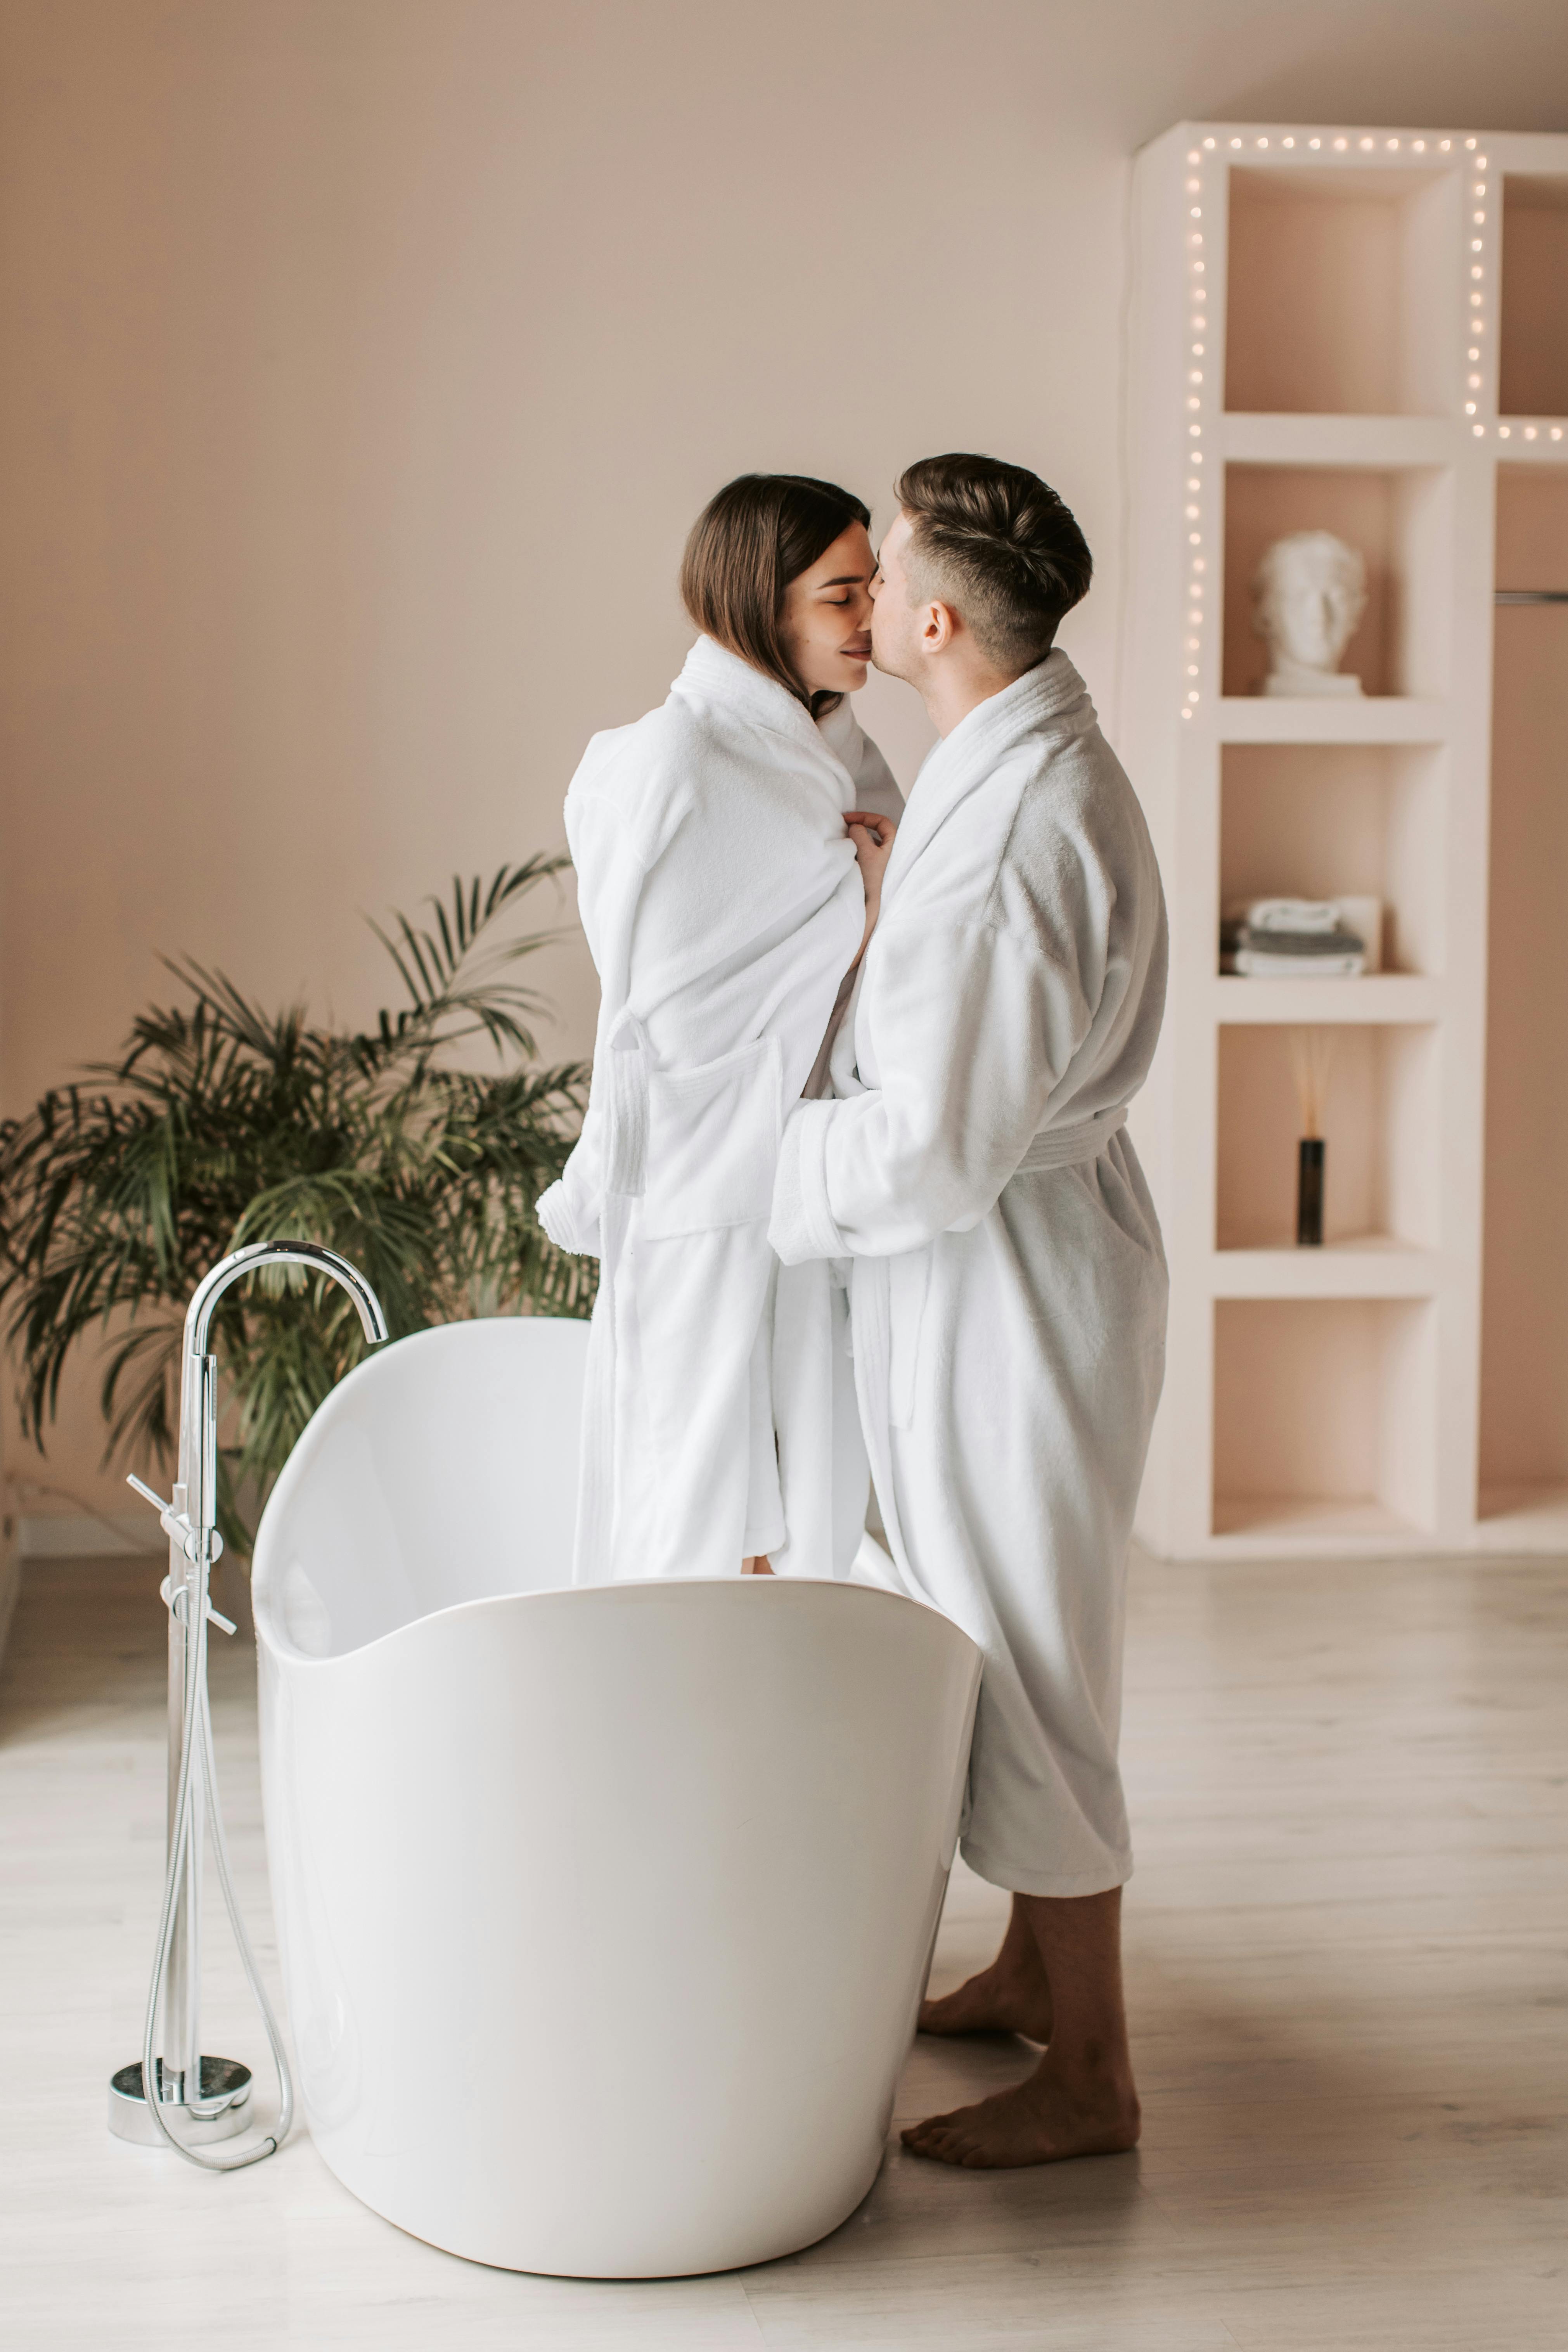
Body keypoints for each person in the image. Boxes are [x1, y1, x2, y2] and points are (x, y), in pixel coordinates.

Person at [768, 452, 1168, 2168]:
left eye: (886, 572)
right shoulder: (1010, 768)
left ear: (934, 618)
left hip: (1010, 1284)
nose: (862, 592)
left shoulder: (1013, 829)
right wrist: (885, 910)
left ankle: (1093, 2075)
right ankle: (1022, 1967)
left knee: (1030, 1652)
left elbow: (934, 1148)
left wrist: (759, 1160)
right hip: (1014, 1261)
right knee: (997, 1633)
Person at [537, 474, 898, 1584]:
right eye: (842, 597)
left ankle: (766, 1729)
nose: (872, 621)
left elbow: (870, 965)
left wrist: (881, 903)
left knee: (808, 1481)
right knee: (694, 1484)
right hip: (703, 1166)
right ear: (760, 603)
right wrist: (874, 904)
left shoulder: (840, 756)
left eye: (872, 589)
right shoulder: (672, 762)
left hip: (806, 1160)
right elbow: (660, 988)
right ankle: (669, 1729)